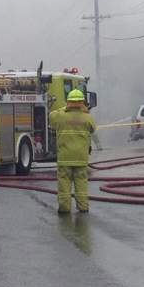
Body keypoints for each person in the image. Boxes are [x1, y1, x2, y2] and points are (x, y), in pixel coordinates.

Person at [52, 87, 96, 215]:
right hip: (81, 158)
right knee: (81, 184)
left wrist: (63, 109)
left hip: (65, 157)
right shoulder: (88, 118)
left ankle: (64, 208)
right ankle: (83, 207)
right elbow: (93, 129)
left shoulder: (60, 116)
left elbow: (51, 117)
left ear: (68, 101)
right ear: (82, 102)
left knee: (64, 185)